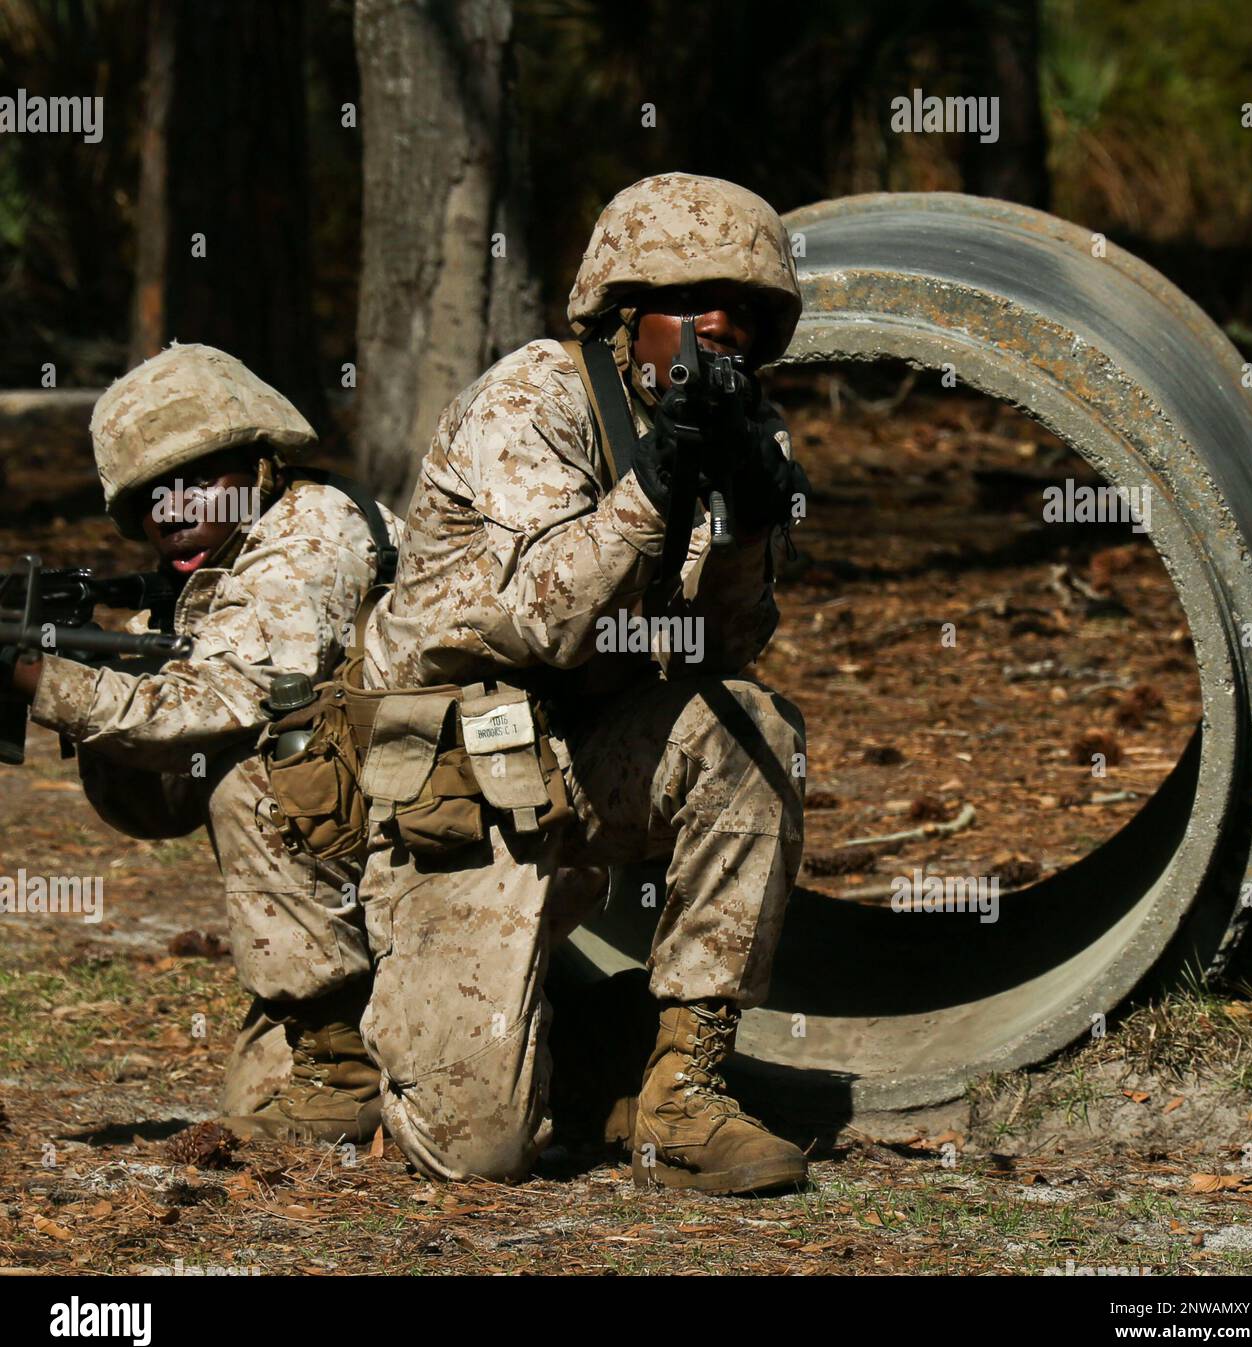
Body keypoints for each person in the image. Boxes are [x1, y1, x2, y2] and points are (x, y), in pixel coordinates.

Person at [359, 172, 811, 1193]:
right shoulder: (536, 398)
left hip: (588, 751)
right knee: (480, 1151)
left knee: (750, 731)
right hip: (452, 784)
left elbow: (722, 655)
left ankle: (681, 1096)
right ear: (623, 312)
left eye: (746, 314)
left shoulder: (742, 430)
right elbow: (548, 619)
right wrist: (654, 485)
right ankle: (548, 1025)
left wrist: (738, 514)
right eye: (695, 306)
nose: (723, 332)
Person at [0, 343, 401, 1143]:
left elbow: (219, 703)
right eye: (150, 496)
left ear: (258, 465)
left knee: (262, 767)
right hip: (364, 854)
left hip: (432, 853)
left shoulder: (311, 534)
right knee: (251, 1107)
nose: (171, 510)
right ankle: (337, 1034)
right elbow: (152, 805)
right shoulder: (210, 574)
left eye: (192, 482)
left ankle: (344, 1060)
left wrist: (38, 678)